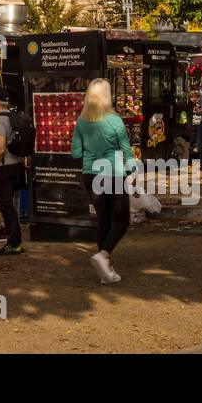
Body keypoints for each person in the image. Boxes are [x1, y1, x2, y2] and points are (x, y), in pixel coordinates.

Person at [70, 78, 136, 284]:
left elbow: (75, 153)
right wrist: (133, 171)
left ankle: (105, 271)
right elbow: (126, 150)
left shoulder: (81, 121)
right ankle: (104, 255)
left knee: (104, 220)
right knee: (122, 220)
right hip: (113, 173)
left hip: (90, 175)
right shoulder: (114, 120)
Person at [0, 87, 25, 255]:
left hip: (3, 168)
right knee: (10, 206)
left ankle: (14, 243)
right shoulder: (14, 117)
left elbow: (0, 148)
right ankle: (15, 241)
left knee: (6, 206)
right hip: (16, 165)